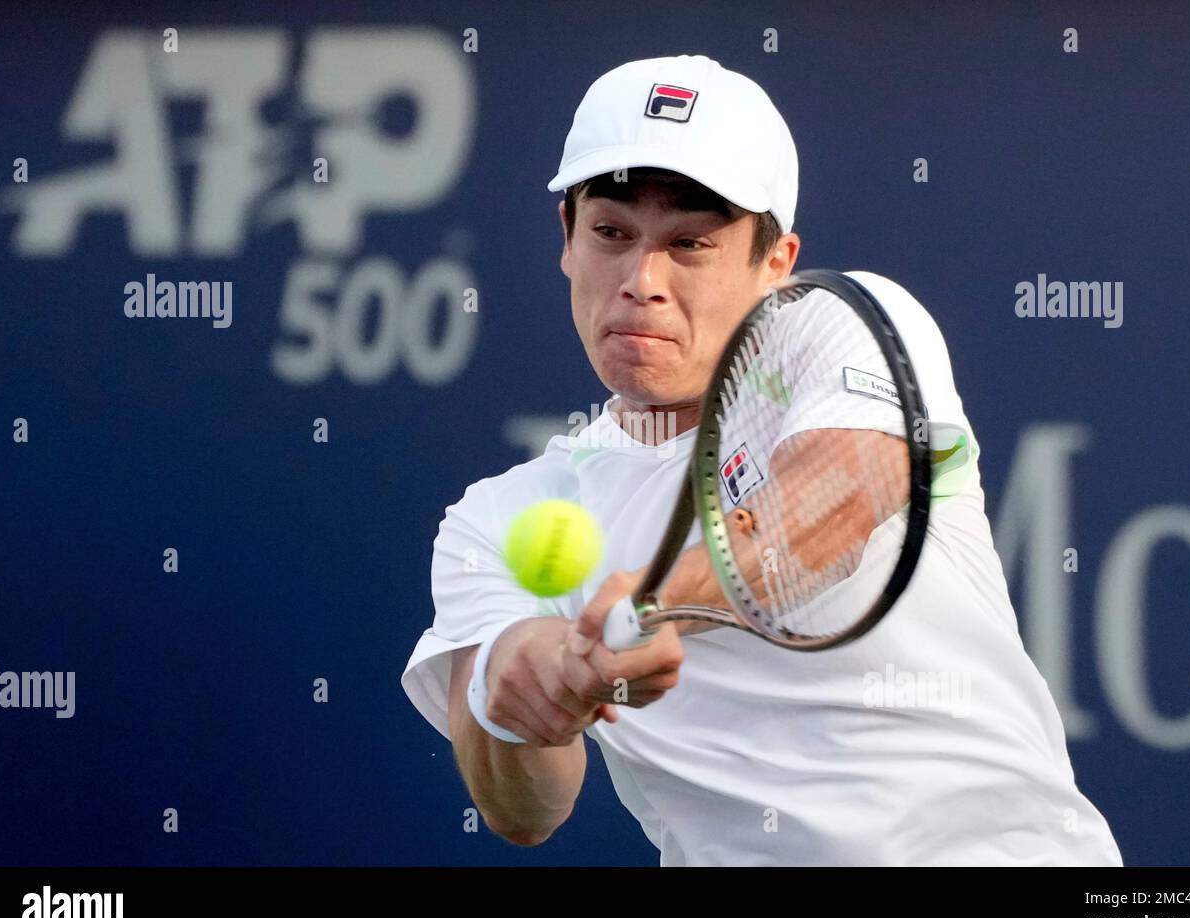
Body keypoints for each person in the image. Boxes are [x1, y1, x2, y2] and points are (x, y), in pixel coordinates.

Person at [401, 54, 1123, 865]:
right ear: (567, 238)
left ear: (775, 265)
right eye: (612, 233)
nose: (642, 280)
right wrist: (528, 695)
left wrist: (647, 610)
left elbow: (829, 509)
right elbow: (524, 810)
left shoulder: (850, 323)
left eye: (691, 244)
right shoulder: (493, 520)